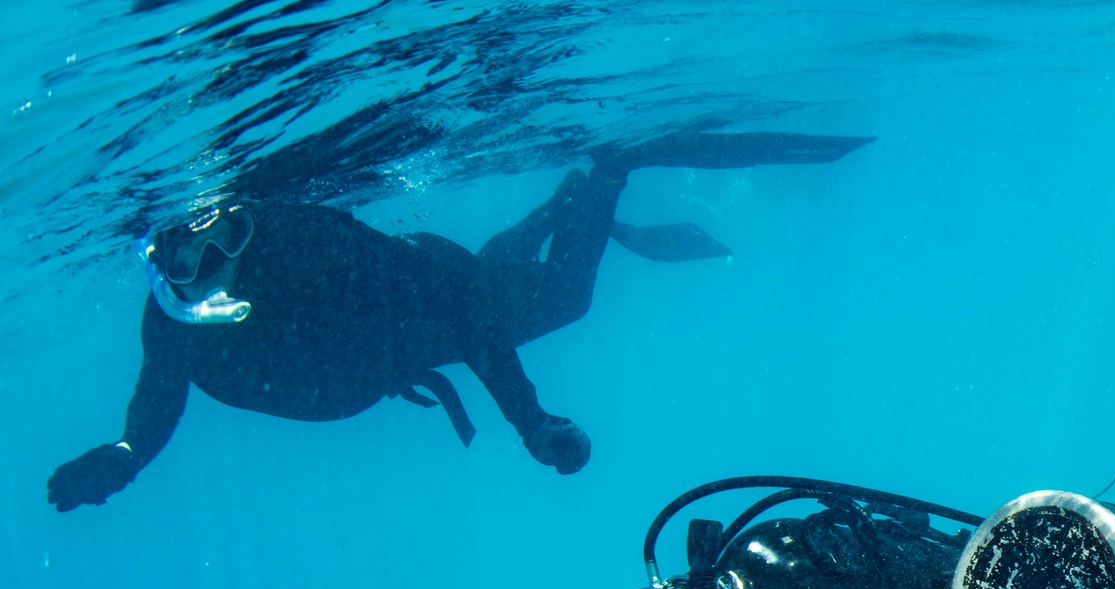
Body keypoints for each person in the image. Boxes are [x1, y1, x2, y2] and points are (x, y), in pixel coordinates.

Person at [46, 130, 871, 512]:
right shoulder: (174, 323)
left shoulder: (300, 243)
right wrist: (122, 458)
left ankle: (604, 177)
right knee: (493, 275)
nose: (223, 257)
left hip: (432, 305)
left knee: (563, 297)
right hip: (401, 341)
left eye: (229, 232)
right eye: (193, 255)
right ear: (161, 264)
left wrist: (531, 419)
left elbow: (463, 310)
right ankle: (557, 208)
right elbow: (157, 404)